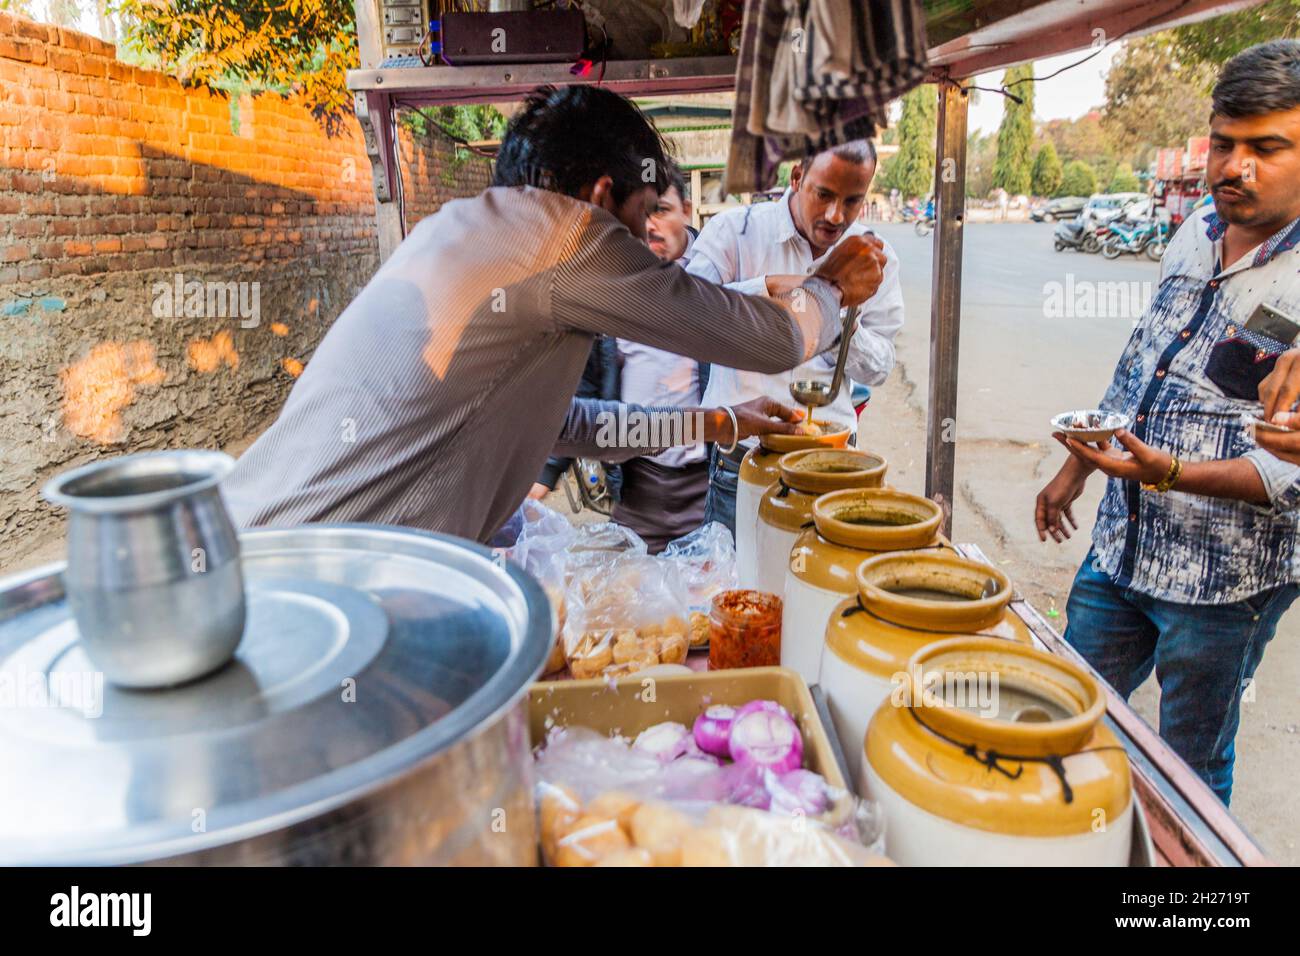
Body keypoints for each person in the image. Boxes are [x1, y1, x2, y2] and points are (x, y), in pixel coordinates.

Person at [221, 85, 886, 544]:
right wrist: (831, 289)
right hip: (316, 578)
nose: (643, 244)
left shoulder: (458, 229)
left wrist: (718, 422)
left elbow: (561, 423)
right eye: (640, 215)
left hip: (267, 549)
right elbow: (769, 341)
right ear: (600, 195)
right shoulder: (566, 238)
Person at [1034, 39, 1300, 805]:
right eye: (1223, 143)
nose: (1233, 167)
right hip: (1121, 548)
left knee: (1190, 762)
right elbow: (1142, 365)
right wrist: (1080, 463)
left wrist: (1173, 474)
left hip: (1223, 586)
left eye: (1265, 148)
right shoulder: (1193, 234)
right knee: (1071, 716)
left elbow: (1288, 476)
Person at [683, 140, 905, 532]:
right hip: (744, 457)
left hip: (832, 458)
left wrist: (836, 317)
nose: (836, 215)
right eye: (824, 195)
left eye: (853, 201)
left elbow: (880, 368)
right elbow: (687, 316)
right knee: (737, 580)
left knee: (817, 581)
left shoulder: (875, 257)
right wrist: (779, 289)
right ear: (797, 177)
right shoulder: (736, 233)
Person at [529, 164, 712, 551]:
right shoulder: (611, 289)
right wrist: (543, 474)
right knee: (643, 599)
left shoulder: (720, 276)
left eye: (661, 210)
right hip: (637, 486)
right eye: (640, 214)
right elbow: (586, 383)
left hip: (708, 483)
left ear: (688, 210)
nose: (650, 226)